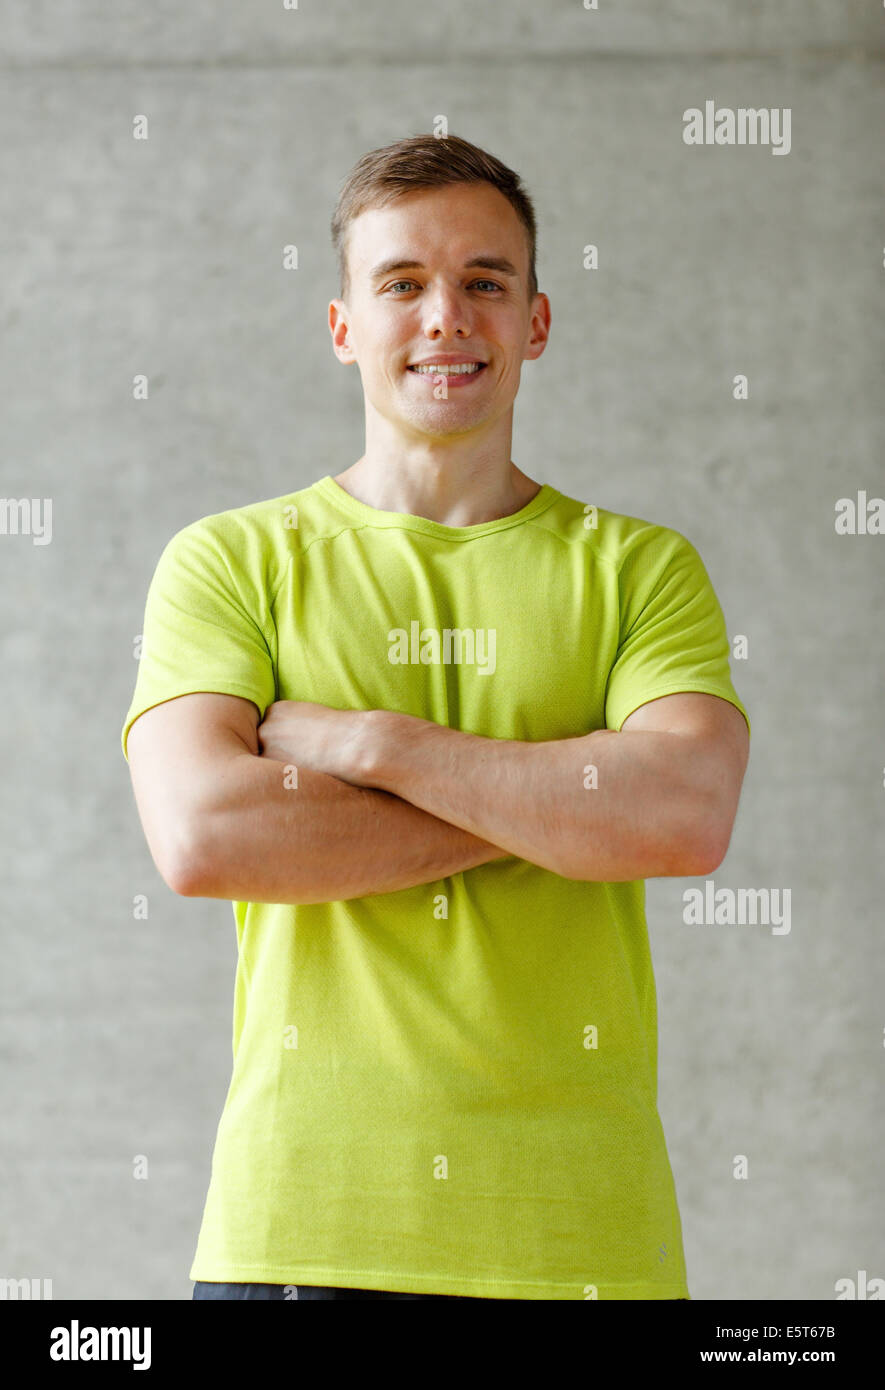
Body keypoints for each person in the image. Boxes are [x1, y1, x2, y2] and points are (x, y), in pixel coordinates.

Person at [121, 133, 749, 1301]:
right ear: (344, 325)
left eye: (485, 281)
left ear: (538, 321)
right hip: (298, 1237)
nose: (446, 316)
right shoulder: (232, 562)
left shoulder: (640, 570)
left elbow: (685, 816)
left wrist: (378, 749)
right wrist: (564, 801)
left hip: (583, 1245)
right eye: (402, 283)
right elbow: (207, 836)